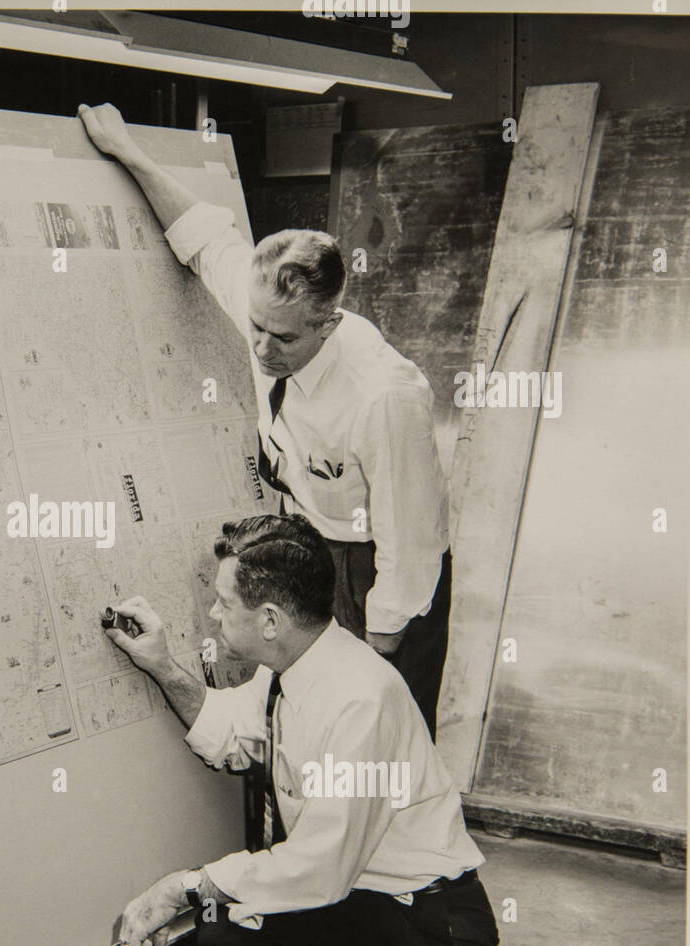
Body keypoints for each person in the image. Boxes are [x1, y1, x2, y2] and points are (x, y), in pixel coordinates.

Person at [78, 102, 451, 737]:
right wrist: (126, 149)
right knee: (300, 721)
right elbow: (201, 236)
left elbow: (410, 552)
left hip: (378, 571)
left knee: (372, 736)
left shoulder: (383, 397)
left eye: (281, 337)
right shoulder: (265, 308)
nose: (262, 349)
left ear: (327, 322)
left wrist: (372, 657)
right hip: (311, 548)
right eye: (254, 326)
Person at [105, 513, 497, 946]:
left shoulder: (361, 701)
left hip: (428, 928)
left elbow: (321, 867)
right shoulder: (294, 667)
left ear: (270, 620)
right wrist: (159, 664)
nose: (212, 613)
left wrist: (182, 888)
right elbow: (225, 733)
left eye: (224, 604)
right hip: (360, 901)